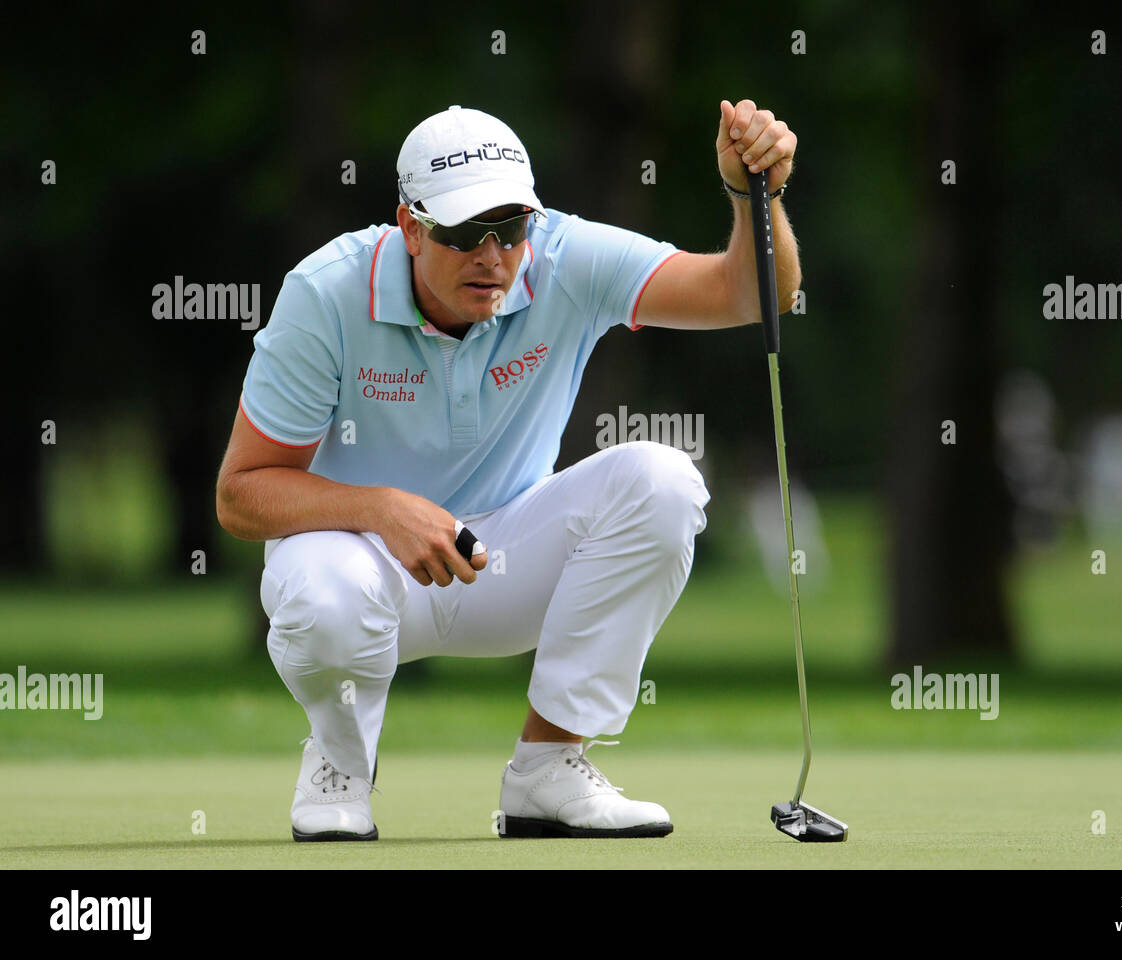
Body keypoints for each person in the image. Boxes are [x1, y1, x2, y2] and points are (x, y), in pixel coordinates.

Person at [215, 100, 800, 840]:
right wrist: (384, 509)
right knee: (327, 592)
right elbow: (240, 495)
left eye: (511, 228)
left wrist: (758, 197)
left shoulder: (565, 257)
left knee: (664, 481)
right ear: (410, 226)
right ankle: (339, 761)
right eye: (463, 233)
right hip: (359, 566)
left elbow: (753, 295)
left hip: (507, 565)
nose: (492, 256)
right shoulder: (325, 293)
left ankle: (548, 767)